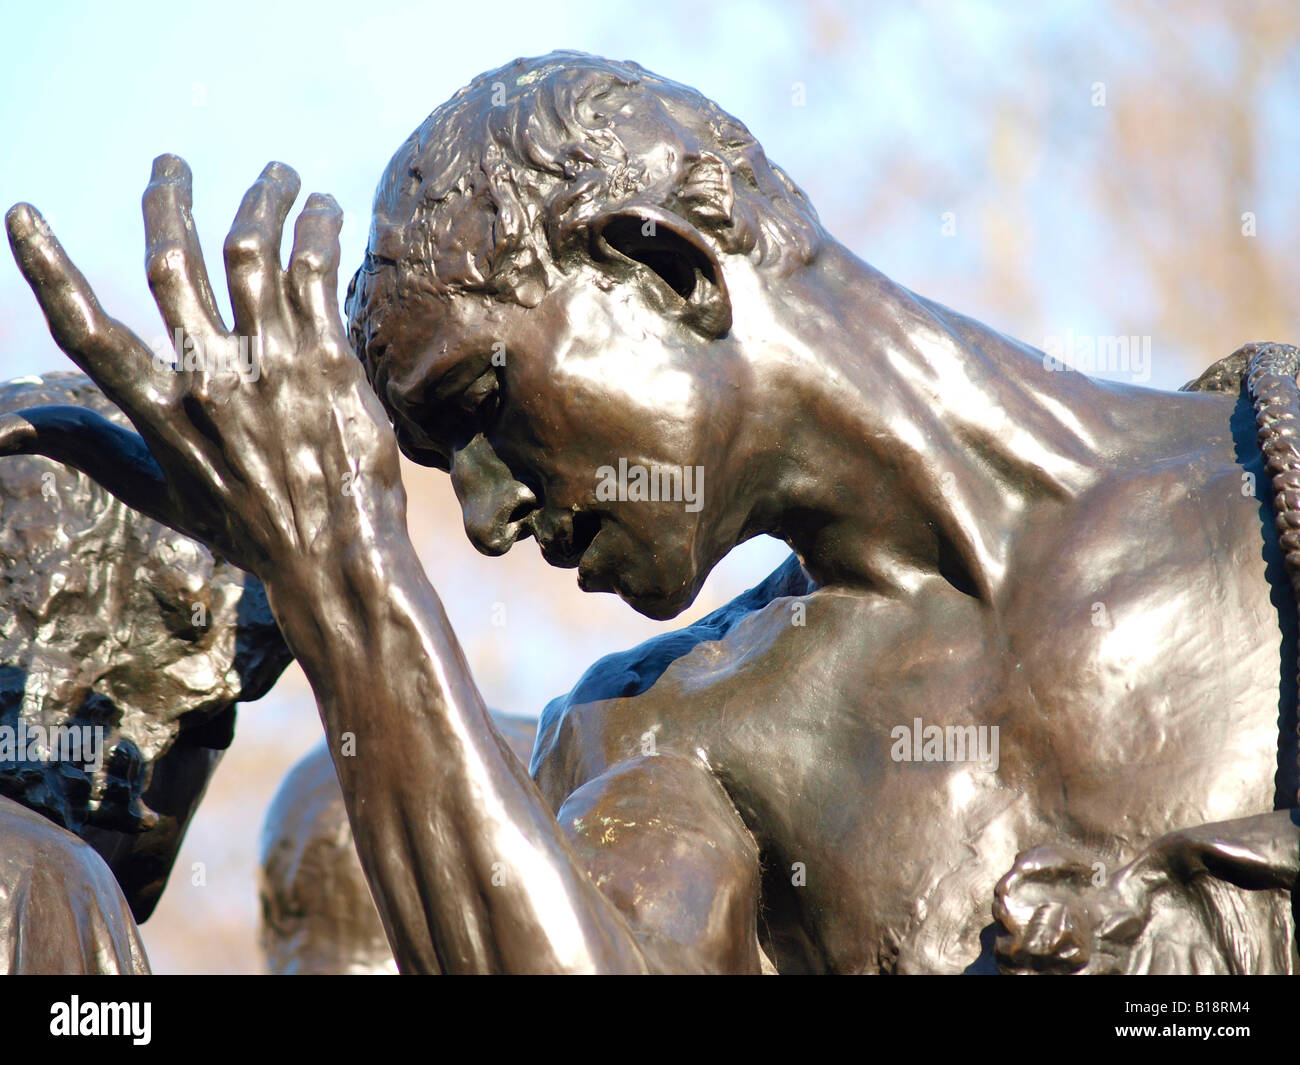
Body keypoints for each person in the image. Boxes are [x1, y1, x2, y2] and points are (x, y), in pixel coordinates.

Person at [3, 51, 1296, 973]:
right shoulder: (658, 732)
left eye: (481, 404)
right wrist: (346, 581)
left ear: (661, 264)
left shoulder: (1267, 486)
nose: (494, 520)